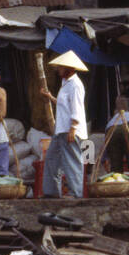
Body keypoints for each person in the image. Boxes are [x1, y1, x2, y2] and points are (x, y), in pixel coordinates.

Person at [39, 52, 88, 199]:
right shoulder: (65, 84)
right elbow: (64, 105)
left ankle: (75, 193)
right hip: (61, 130)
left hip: (70, 130)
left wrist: (73, 128)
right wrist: (50, 97)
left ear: (69, 68)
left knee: (72, 162)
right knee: (51, 160)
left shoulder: (75, 85)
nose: (58, 70)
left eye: (61, 67)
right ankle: (51, 192)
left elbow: (77, 108)